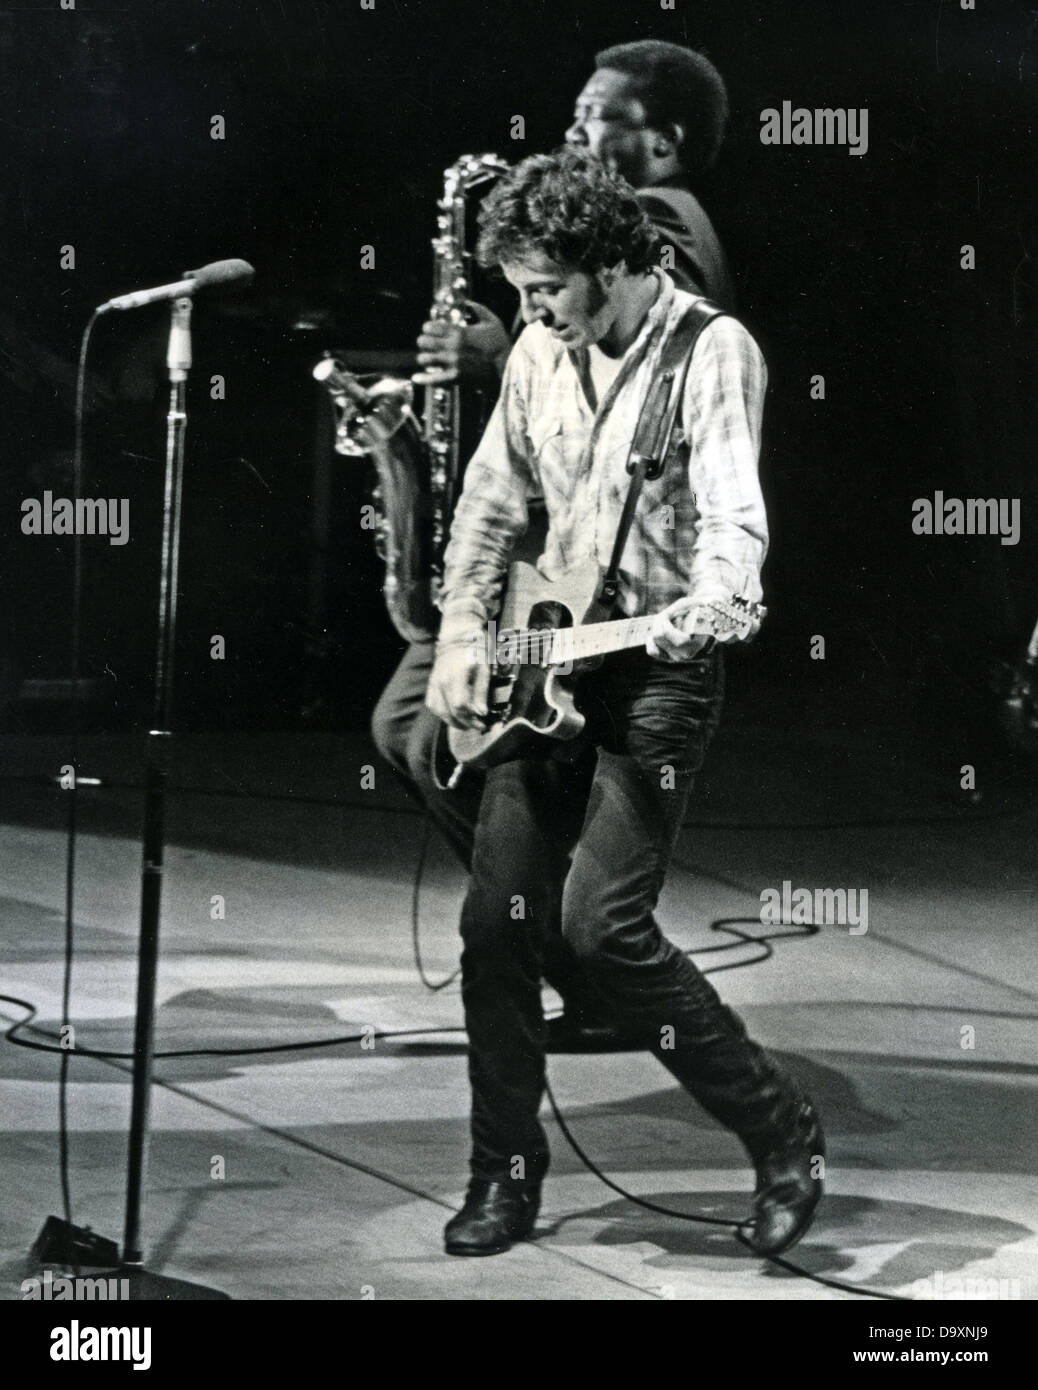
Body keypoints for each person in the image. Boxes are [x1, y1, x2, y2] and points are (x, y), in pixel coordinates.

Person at [425, 148, 824, 1259]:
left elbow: (734, 515)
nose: (529, 308)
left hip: (655, 672)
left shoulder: (709, 352)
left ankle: (780, 1126)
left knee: (597, 927)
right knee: (494, 929)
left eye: (546, 284)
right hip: (546, 667)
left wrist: (719, 595)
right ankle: (502, 1177)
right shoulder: (538, 357)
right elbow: (491, 503)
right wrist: (464, 629)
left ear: (612, 260)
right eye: (518, 288)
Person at [372, 43, 736, 1040]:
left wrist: (494, 345)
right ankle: (567, 953)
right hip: (532, 566)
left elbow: (634, 351)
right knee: (414, 732)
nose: (575, 130)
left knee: (442, 742)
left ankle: (579, 961)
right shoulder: (587, 237)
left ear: (659, 141)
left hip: (578, 588)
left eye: (597, 115)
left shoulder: (666, 222)